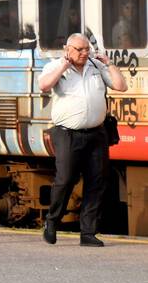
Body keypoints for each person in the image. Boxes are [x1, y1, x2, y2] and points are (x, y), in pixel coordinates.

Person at [38, 33, 128, 247]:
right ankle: (51, 222)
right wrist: (63, 66)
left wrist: (110, 64)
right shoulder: (55, 67)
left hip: (96, 134)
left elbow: (120, 86)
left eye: (86, 49)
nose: (84, 53)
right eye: (79, 49)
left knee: (97, 181)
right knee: (66, 179)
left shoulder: (95, 66)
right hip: (67, 133)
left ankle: (88, 232)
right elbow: (43, 86)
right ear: (67, 49)